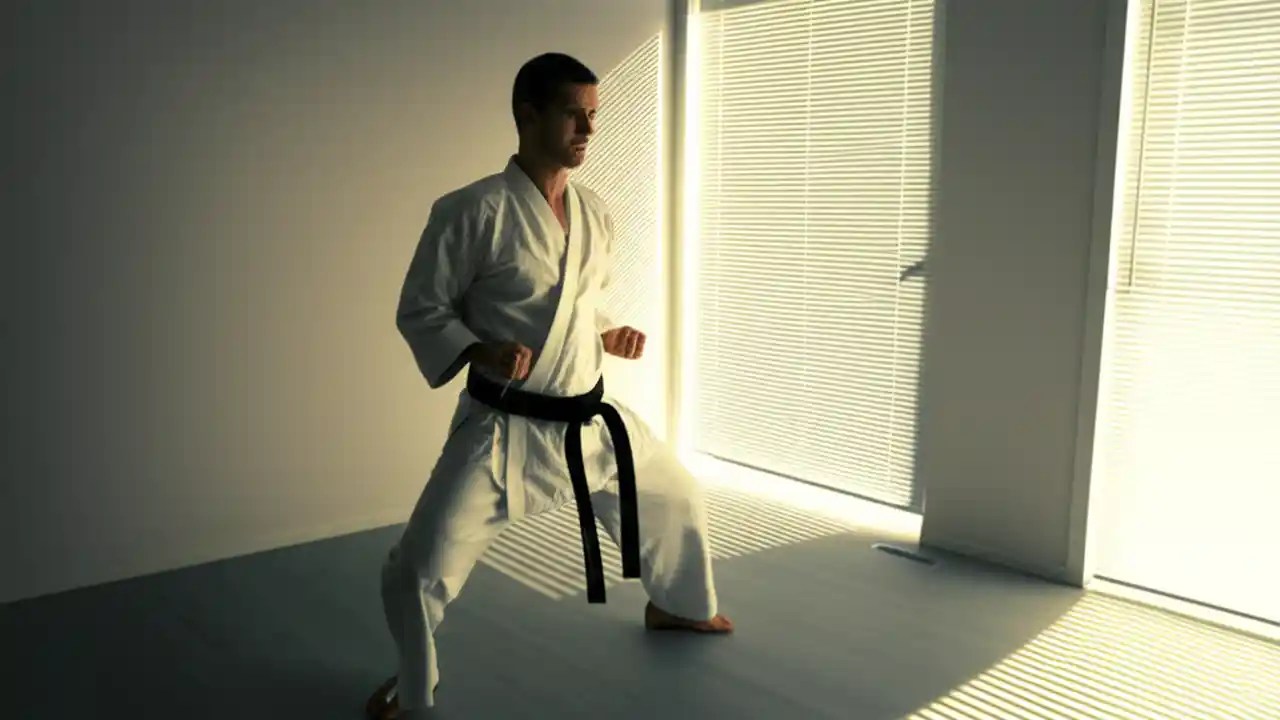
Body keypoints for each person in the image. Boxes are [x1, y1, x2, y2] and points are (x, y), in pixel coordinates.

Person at [368, 52, 733, 720]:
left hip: (589, 420)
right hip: (504, 429)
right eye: (573, 113)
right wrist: (480, 349)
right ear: (528, 114)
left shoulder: (595, 212)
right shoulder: (470, 211)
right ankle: (412, 684)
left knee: (676, 492)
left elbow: (572, 305)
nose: (587, 130)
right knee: (418, 571)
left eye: (593, 116)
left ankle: (678, 607)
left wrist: (606, 334)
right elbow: (422, 310)